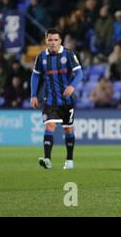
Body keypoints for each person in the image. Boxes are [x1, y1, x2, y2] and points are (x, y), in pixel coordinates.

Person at [30, 28, 83, 170]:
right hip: (49, 100)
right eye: (50, 40)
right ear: (46, 41)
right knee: (49, 125)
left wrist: (72, 86)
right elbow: (35, 76)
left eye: (55, 40)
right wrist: (34, 95)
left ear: (60, 41)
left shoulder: (69, 54)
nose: (53, 43)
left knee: (68, 130)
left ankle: (69, 160)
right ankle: (47, 159)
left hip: (67, 101)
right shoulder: (41, 57)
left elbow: (79, 73)